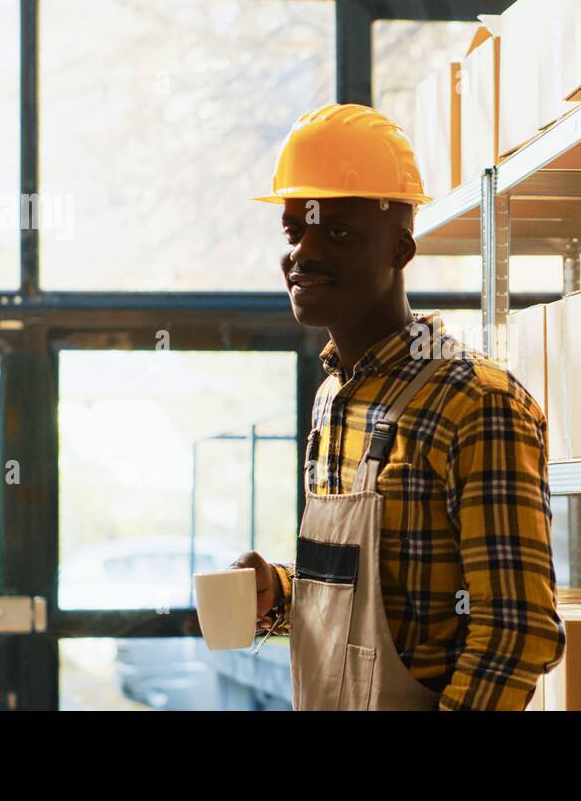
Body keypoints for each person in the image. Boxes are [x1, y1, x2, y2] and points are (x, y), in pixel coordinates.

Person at [234, 104, 564, 711]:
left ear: (400, 250)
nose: (302, 253)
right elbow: (378, 602)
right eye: (293, 232)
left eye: (337, 232)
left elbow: (518, 631)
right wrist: (279, 593)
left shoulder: (475, 402)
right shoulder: (334, 397)